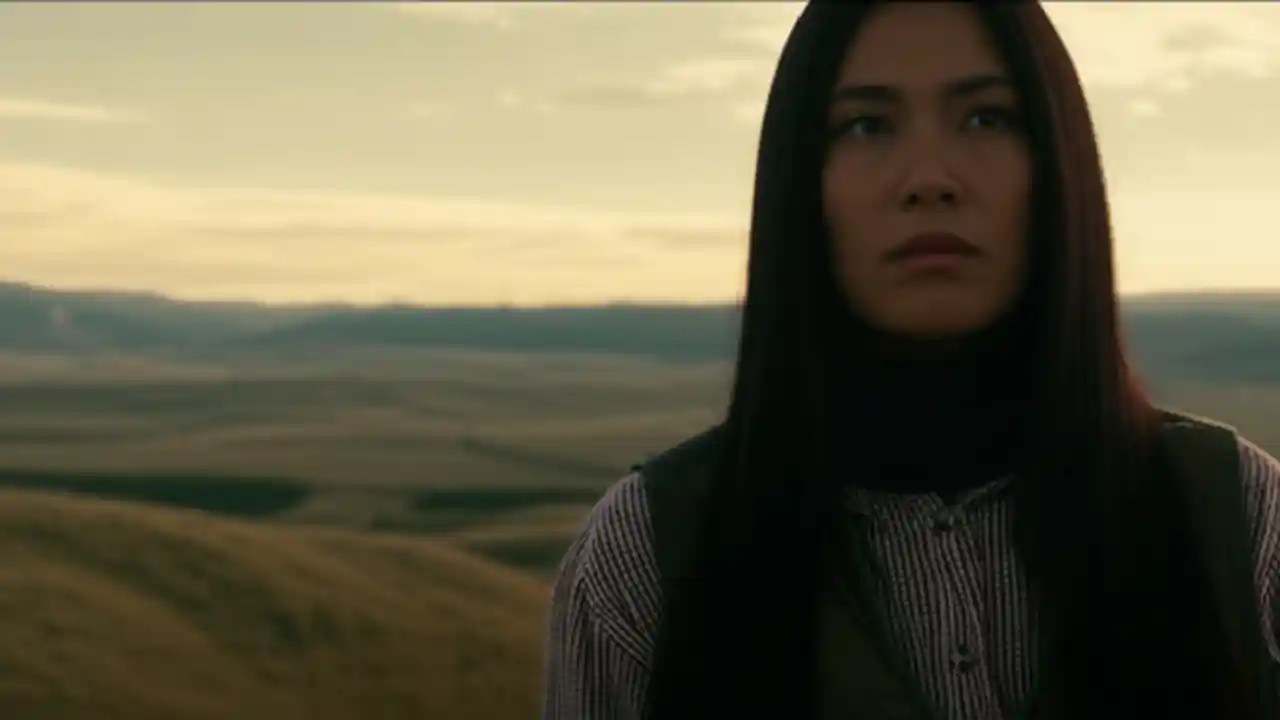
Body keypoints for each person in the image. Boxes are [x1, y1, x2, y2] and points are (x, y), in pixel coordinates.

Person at [543, 2, 1280, 718]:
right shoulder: (649, 554)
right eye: (866, 125)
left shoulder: (1233, 517)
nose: (930, 177)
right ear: (803, 180)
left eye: (987, 117)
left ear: (1058, 164)